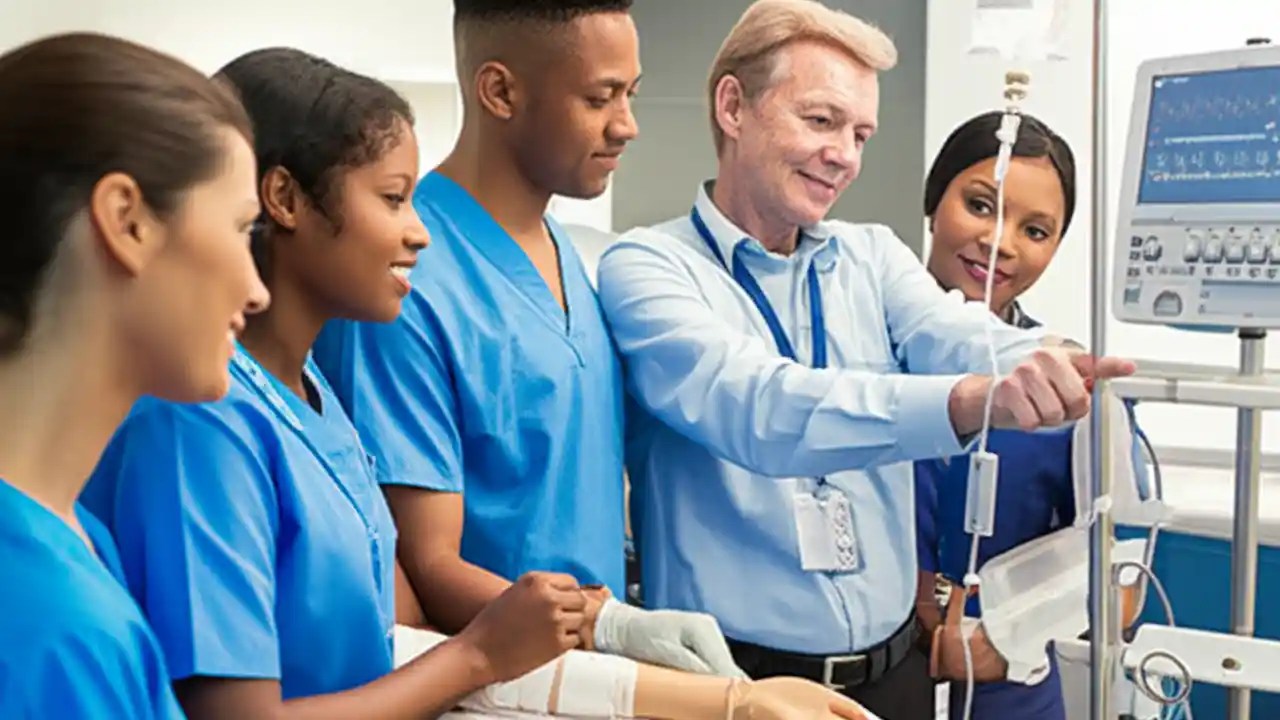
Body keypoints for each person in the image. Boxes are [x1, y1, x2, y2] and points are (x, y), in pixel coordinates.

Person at [82, 45, 869, 720]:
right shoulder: (200, 423)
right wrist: (482, 656)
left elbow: (394, 645)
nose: (416, 227)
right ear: (281, 200)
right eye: (392, 199)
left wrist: (720, 698)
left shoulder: (314, 401)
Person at [593, 2, 1136, 719]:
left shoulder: (871, 256)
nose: (845, 155)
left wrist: (1049, 357)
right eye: (821, 121)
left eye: (860, 134)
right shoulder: (647, 268)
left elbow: (958, 333)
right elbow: (761, 408)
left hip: (894, 677)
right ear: (733, 106)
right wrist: (974, 400)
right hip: (734, 683)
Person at [313, 0, 740, 676]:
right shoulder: (401, 281)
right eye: (600, 97)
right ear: (501, 91)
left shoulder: (567, 254)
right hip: (499, 686)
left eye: (629, 93)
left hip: (591, 674)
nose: (626, 125)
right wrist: (608, 626)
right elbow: (427, 569)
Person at [0, 32, 268, 717]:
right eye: (242, 230)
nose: (257, 289)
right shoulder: (54, 629)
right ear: (127, 221)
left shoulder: (77, 537)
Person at [913, 111, 1150, 720]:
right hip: (862, 687)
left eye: (1036, 230)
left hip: (1008, 697)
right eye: (980, 204)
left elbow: (1123, 582)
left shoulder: (1069, 387)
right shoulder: (848, 356)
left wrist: (1005, 638)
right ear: (933, 199)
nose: (1001, 242)